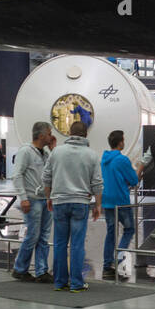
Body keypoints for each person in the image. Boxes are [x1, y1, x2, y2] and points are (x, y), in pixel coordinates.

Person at [44, 120, 102, 292]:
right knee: (77, 244)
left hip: (59, 202)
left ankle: (60, 282)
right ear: (85, 135)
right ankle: (76, 283)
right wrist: (98, 205)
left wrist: (49, 197)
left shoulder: (57, 152)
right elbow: (97, 183)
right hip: (80, 203)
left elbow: (46, 177)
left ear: (69, 133)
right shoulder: (92, 155)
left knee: (60, 243)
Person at [11, 121, 53, 283]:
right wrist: (23, 198)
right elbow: (17, 175)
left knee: (43, 237)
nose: (51, 136)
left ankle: (42, 271)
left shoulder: (46, 152)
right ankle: (20, 268)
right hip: (32, 200)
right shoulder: (25, 152)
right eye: (49, 133)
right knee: (33, 236)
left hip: (45, 199)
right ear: (41, 135)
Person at [100, 129, 141, 280]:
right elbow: (134, 180)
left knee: (111, 233)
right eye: (123, 140)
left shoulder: (104, 159)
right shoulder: (122, 160)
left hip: (107, 201)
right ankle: (119, 260)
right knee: (129, 230)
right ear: (120, 143)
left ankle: (106, 266)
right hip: (121, 201)